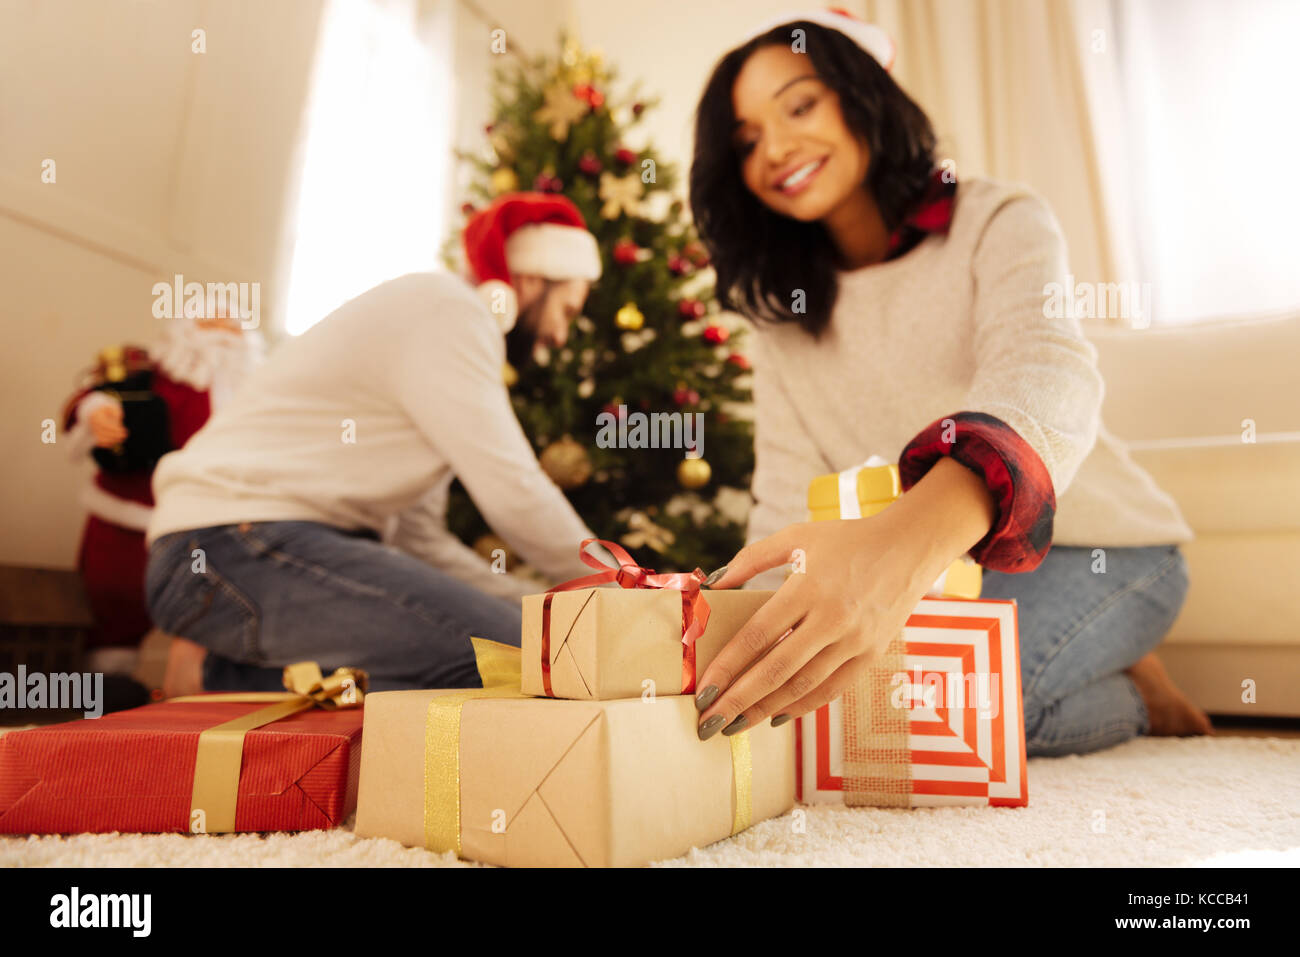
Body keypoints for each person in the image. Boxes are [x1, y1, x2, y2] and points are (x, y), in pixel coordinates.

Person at [686, 10, 1213, 755]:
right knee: (856, 711)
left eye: (799, 105)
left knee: (961, 717)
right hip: (952, 567)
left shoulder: (997, 218)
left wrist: (898, 546)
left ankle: (1140, 692)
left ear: (862, 94)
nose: (774, 148)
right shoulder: (784, 314)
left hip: (1106, 547)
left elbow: (1049, 372)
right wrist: (753, 627)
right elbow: (785, 494)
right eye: (745, 141)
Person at [144, 192, 602, 694]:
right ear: (531, 280)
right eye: (567, 309)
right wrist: (626, 583)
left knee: (504, 650)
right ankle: (215, 677)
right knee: (520, 657)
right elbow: (514, 489)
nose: (563, 334)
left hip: (255, 550)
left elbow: (419, 541)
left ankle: (219, 675)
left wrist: (530, 602)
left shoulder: (438, 339)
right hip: (226, 546)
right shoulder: (450, 312)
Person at [63, 315, 263, 707]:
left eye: (232, 325)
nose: (222, 334)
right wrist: (97, 413)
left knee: (215, 620)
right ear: (186, 330)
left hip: (218, 525)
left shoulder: (260, 392)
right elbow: (89, 399)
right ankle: (101, 702)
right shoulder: (150, 373)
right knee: (114, 616)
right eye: (210, 322)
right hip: (129, 517)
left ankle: (202, 708)